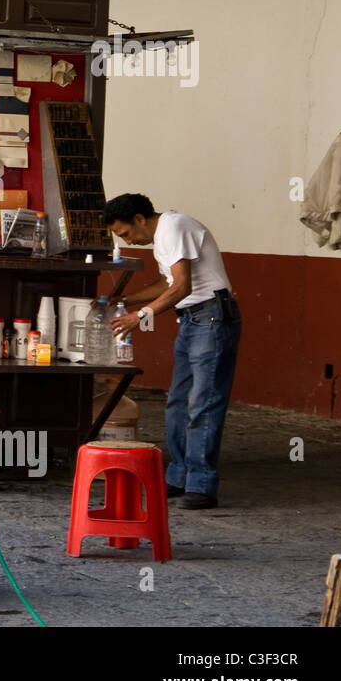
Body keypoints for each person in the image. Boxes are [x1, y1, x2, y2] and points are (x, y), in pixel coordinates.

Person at [103, 194, 241, 510]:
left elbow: (181, 287)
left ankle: (202, 484)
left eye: (126, 234)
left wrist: (139, 317)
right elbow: (167, 284)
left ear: (140, 218)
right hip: (193, 319)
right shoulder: (164, 235)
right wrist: (126, 299)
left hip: (211, 318)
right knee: (178, 402)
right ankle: (179, 476)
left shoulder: (174, 226)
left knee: (203, 402)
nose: (129, 241)